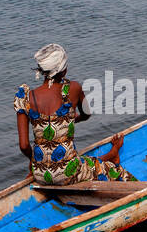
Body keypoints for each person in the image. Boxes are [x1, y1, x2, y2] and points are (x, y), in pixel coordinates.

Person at [14, 44, 136, 185]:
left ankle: (111, 155)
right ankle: (114, 161)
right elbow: (87, 114)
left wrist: (34, 161)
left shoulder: (25, 96)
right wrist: (71, 119)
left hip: (40, 174)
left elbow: (24, 146)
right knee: (117, 173)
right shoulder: (73, 89)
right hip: (68, 173)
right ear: (63, 70)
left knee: (84, 161)